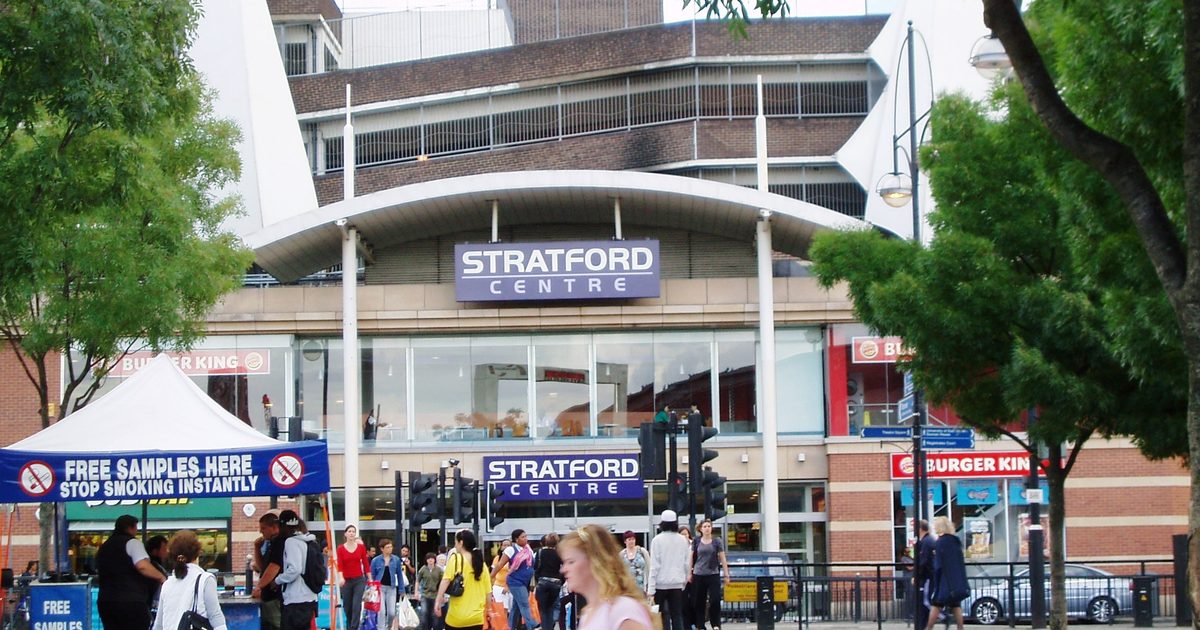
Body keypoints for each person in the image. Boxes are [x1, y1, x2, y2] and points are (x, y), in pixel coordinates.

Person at [560, 524, 653, 630]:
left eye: (571, 562)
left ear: (594, 563)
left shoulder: (623, 611)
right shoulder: (588, 613)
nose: (563, 569)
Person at [96, 514, 166, 630]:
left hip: (106, 601)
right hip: (130, 602)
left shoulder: (104, 546)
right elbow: (143, 566)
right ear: (131, 528)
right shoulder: (132, 543)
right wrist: (162, 578)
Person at [152, 530, 227, 630]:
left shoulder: (167, 584)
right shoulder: (205, 580)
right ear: (197, 553)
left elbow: (159, 625)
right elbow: (216, 617)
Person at [435, 529, 491, 630]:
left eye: (456, 542)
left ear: (461, 543)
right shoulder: (481, 564)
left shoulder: (455, 559)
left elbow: (446, 580)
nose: (455, 545)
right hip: (477, 618)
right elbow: (488, 591)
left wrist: (438, 601)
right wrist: (489, 610)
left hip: (457, 617)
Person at [274, 510, 320, 630]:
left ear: (283, 526)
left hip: (295, 599)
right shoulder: (310, 541)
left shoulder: (291, 542)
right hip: (310, 596)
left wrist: (277, 580)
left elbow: (295, 569)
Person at [648, 510, 690, 630]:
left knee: (661, 615)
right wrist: (683, 582)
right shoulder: (683, 540)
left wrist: (651, 589)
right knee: (677, 615)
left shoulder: (657, 540)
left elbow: (654, 566)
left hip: (660, 584)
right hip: (677, 583)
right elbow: (686, 563)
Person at [925, 517, 968, 630]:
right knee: (955, 604)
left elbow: (938, 565)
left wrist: (936, 579)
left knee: (936, 603)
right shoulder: (956, 541)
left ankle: (929, 628)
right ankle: (960, 627)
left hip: (945, 578)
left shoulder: (940, 542)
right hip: (956, 579)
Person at [689, 519, 730, 630]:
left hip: (713, 573)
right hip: (699, 574)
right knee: (699, 601)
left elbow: (722, 558)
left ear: (711, 528)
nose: (707, 528)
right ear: (701, 529)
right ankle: (700, 625)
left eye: (709, 526)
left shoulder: (716, 541)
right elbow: (691, 558)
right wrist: (690, 573)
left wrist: (726, 574)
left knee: (715, 599)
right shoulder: (696, 541)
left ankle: (715, 624)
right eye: (705, 526)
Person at [493, 529, 536, 630]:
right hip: (515, 582)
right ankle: (532, 625)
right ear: (516, 539)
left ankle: (510, 627)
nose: (526, 539)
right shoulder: (511, 550)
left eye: (526, 536)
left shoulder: (528, 549)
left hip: (525, 582)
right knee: (524, 603)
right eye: (523, 537)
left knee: (516, 608)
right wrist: (490, 576)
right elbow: (499, 565)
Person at [252, 511, 285, 630]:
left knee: (276, 625)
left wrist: (259, 587)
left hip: (275, 596)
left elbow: (274, 567)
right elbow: (263, 568)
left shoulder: (279, 542)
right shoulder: (270, 543)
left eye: (264, 528)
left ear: (274, 527)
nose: (261, 532)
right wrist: (257, 549)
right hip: (268, 596)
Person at [337, 524, 370, 630]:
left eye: (353, 531)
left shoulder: (360, 547)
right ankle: (349, 626)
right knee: (347, 607)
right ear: (345, 534)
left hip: (359, 579)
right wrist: (341, 577)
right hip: (346, 581)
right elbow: (340, 565)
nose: (351, 533)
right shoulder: (341, 548)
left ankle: (353, 628)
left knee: (356, 605)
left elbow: (365, 563)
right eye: (349, 531)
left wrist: (370, 578)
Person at [371, 538, 405, 630]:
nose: (390, 549)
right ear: (382, 549)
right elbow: (372, 576)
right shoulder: (375, 560)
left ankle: (389, 627)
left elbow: (399, 575)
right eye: (387, 547)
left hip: (391, 588)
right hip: (380, 588)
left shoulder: (396, 559)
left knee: (391, 612)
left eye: (391, 547)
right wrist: (372, 589)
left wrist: (402, 589)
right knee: (381, 612)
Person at [534, 533, 564, 630]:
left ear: (545, 541)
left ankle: (545, 627)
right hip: (556, 582)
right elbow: (563, 567)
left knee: (543, 608)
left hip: (543, 581)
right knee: (552, 606)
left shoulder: (540, 552)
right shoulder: (560, 553)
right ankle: (551, 625)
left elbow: (535, 567)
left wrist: (538, 578)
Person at [913, 519, 934, 629]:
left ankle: (944, 616)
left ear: (920, 529)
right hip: (927, 577)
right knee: (924, 605)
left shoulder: (926, 542)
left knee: (926, 602)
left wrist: (916, 576)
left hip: (927, 577)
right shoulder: (927, 541)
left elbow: (923, 561)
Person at [418, 553, 444, 630]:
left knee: (435, 615)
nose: (430, 560)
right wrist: (416, 592)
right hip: (425, 594)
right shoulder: (423, 569)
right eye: (429, 559)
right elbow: (417, 580)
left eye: (432, 559)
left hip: (435, 595)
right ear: (426, 560)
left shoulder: (439, 570)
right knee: (424, 613)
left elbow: (443, 582)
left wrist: (442, 595)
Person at [620, 531, 650, 596]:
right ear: (625, 541)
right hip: (627, 589)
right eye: (629, 539)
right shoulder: (622, 554)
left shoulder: (642, 551)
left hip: (642, 588)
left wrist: (649, 586)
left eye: (633, 539)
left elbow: (649, 567)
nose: (631, 541)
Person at [146, 534, 170, 613]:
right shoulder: (153, 568)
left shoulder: (159, 566)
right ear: (155, 551)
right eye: (164, 549)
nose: (167, 552)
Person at [491, 539, 512, 618]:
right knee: (500, 608)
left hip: (510, 587)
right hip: (498, 586)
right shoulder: (497, 558)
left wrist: (507, 586)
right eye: (504, 545)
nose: (506, 547)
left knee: (509, 608)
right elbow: (493, 572)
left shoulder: (513, 559)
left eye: (508, 545)